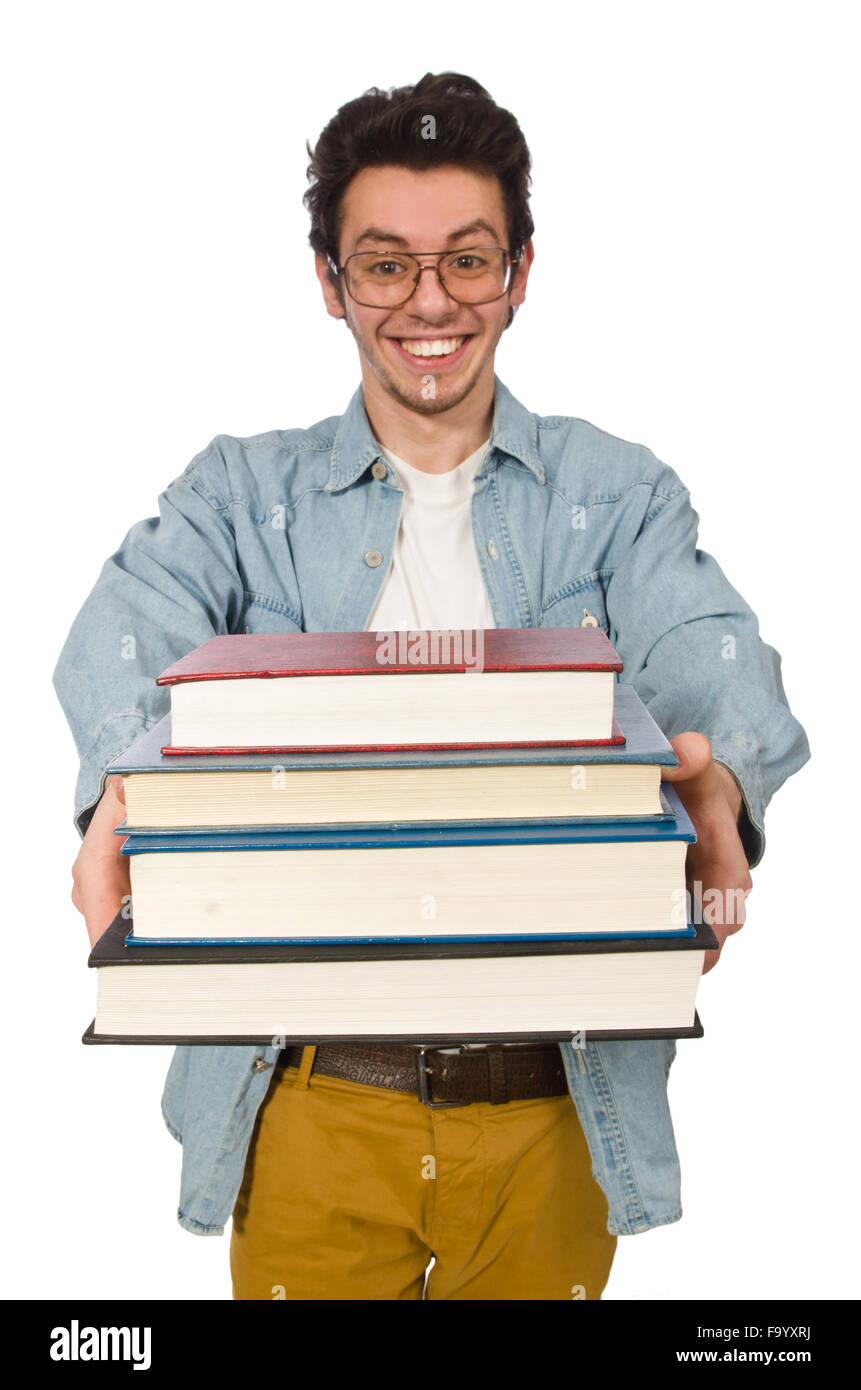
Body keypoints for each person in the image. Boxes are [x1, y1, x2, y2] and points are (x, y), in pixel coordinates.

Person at [54, 71, 810, 1301]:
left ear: (520, 270)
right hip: (304, 1106)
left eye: (467, 259)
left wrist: (717, 775)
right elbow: (119, 637)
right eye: (385, 265)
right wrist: (128, 795)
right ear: (329, 282)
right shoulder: (240, 495)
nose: (430, 303)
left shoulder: (615, 492)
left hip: (551, 1111)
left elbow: (706, 641)